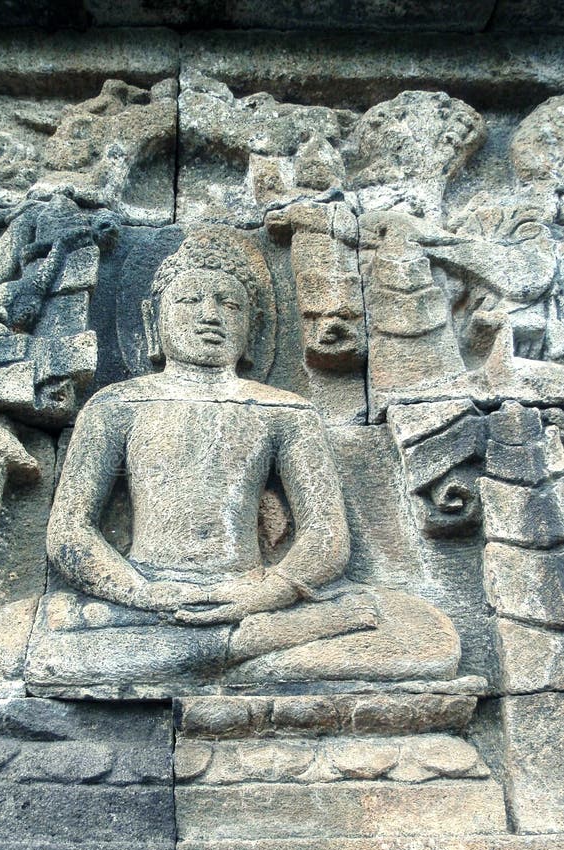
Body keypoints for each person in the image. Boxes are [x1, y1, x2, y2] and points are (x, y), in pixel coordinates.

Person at [30, 230, 460, 692]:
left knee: (430, 637)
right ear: (152, 319)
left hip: (255, 594)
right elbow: (70, 534)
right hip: (144, 599)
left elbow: (326, 537)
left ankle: (218, 653)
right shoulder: (116, 406)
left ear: (252, 327)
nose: (210, 315)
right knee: (9, 646)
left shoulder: (287, 411)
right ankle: (242, 655)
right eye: (189, 301)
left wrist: (264, 593)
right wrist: (142, 592)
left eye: (229, 306)